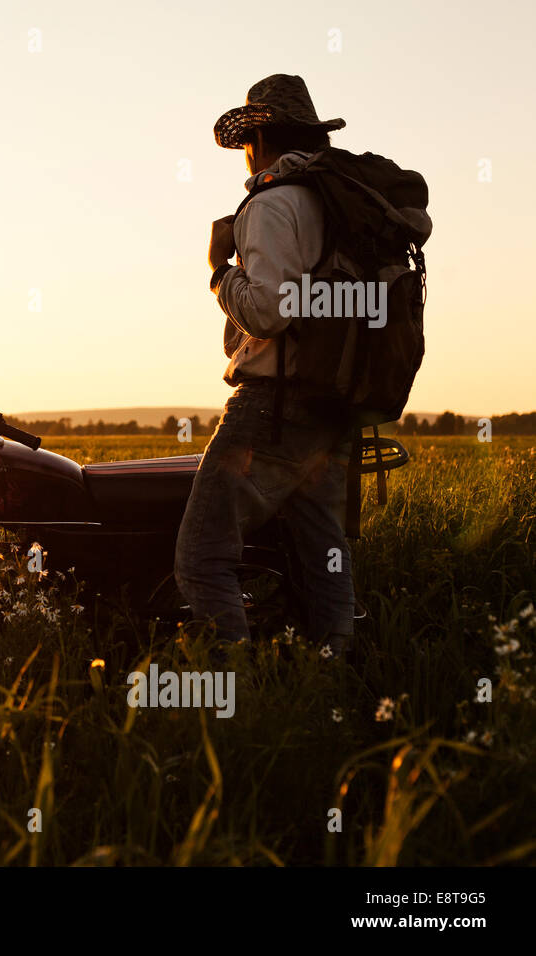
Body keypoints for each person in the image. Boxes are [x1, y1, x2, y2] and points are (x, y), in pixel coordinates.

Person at [174, 74, 354, 654]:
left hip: (271, 406)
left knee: (201, 557)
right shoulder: (332, 203)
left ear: (260, 137)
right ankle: (336, 680)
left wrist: (218, 270)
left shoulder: (272, 203)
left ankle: (234, 699)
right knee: (322, 555)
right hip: (331, 402)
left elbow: (271, 311)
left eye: (249, 140)